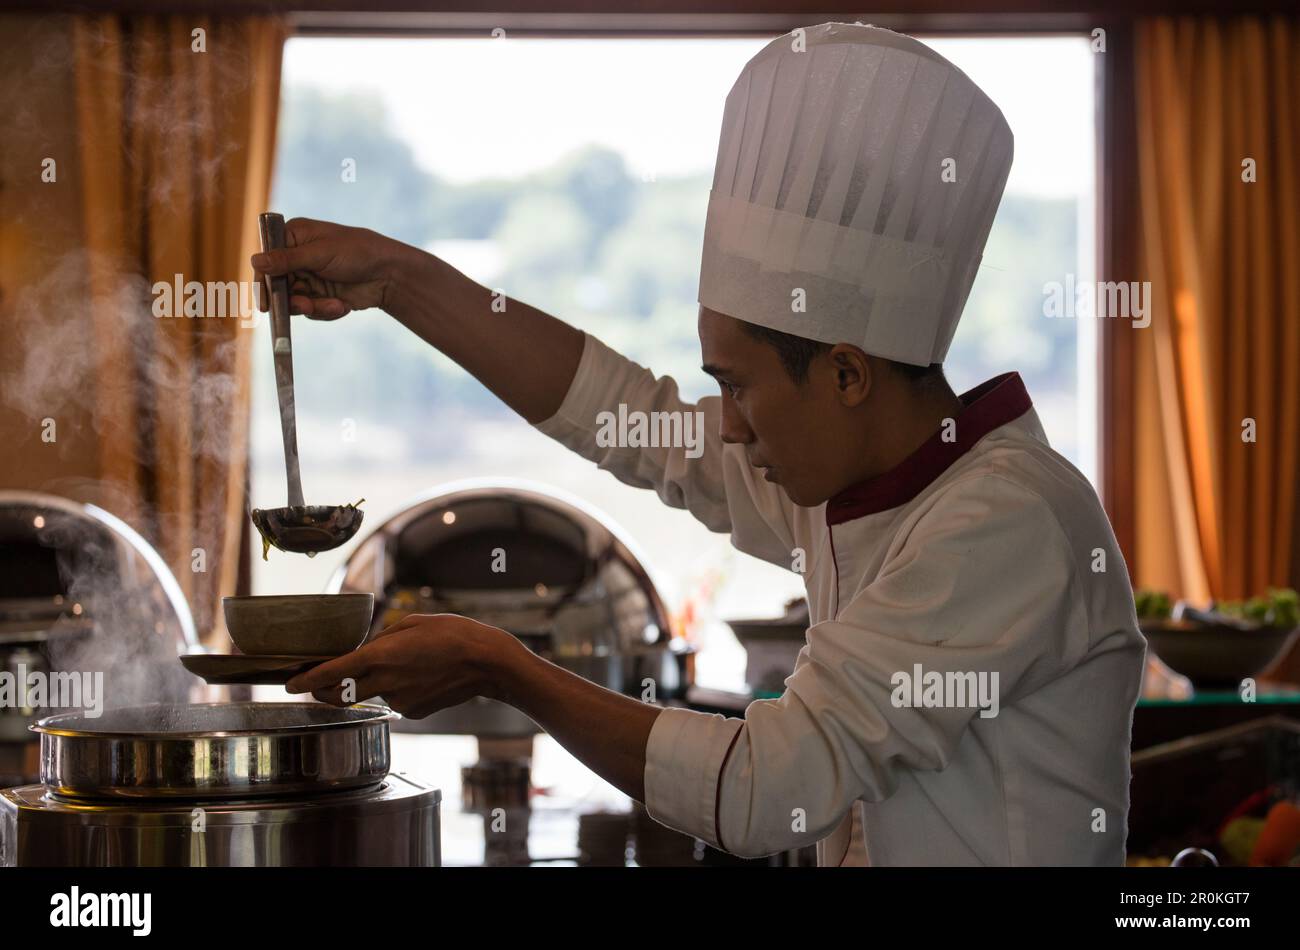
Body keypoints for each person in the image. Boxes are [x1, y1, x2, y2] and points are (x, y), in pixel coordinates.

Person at [254, 22, 1146, 866]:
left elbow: (768, 787)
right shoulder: (860, 480)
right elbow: (626, 417)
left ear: (845, 374)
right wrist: (401, 282)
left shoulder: (1007, 521)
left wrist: (503, 668)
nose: (723, 424)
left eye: (738, 385)